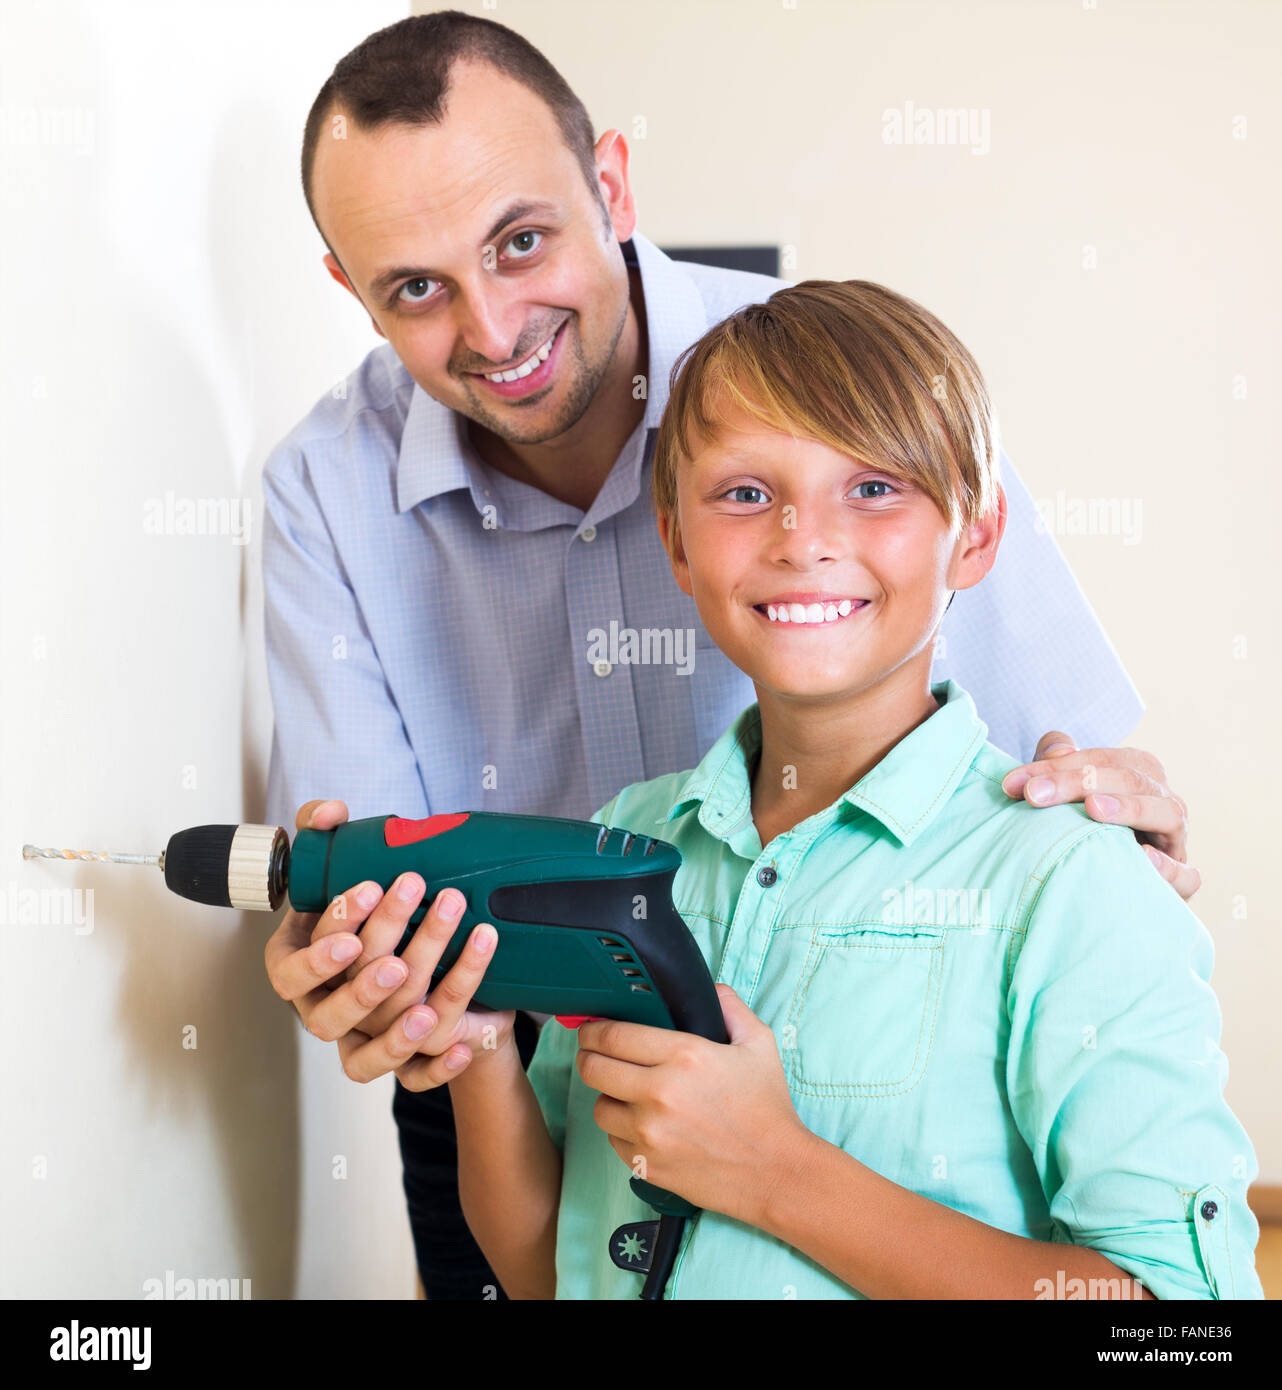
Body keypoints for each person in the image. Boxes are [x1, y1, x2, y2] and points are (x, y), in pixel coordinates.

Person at [261, 10, 1199, 1301]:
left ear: (611, 185)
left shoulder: (842, 379)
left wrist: (1116, 836)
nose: (489, 327)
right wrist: (372, 966)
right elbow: (369, 899)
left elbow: (1070, 801)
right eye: (415, 288)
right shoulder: (323, 486)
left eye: (520, 241)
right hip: (538, 1029)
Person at [449, 278, 1263, 1300]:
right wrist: (472, 1043)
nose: (801, 536)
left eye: (874, 487)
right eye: (745, 493)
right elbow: (551, 1267)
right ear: (676, 543)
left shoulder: (1071, 880)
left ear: (973, 534)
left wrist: (776, 1173)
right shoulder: (624, 839)